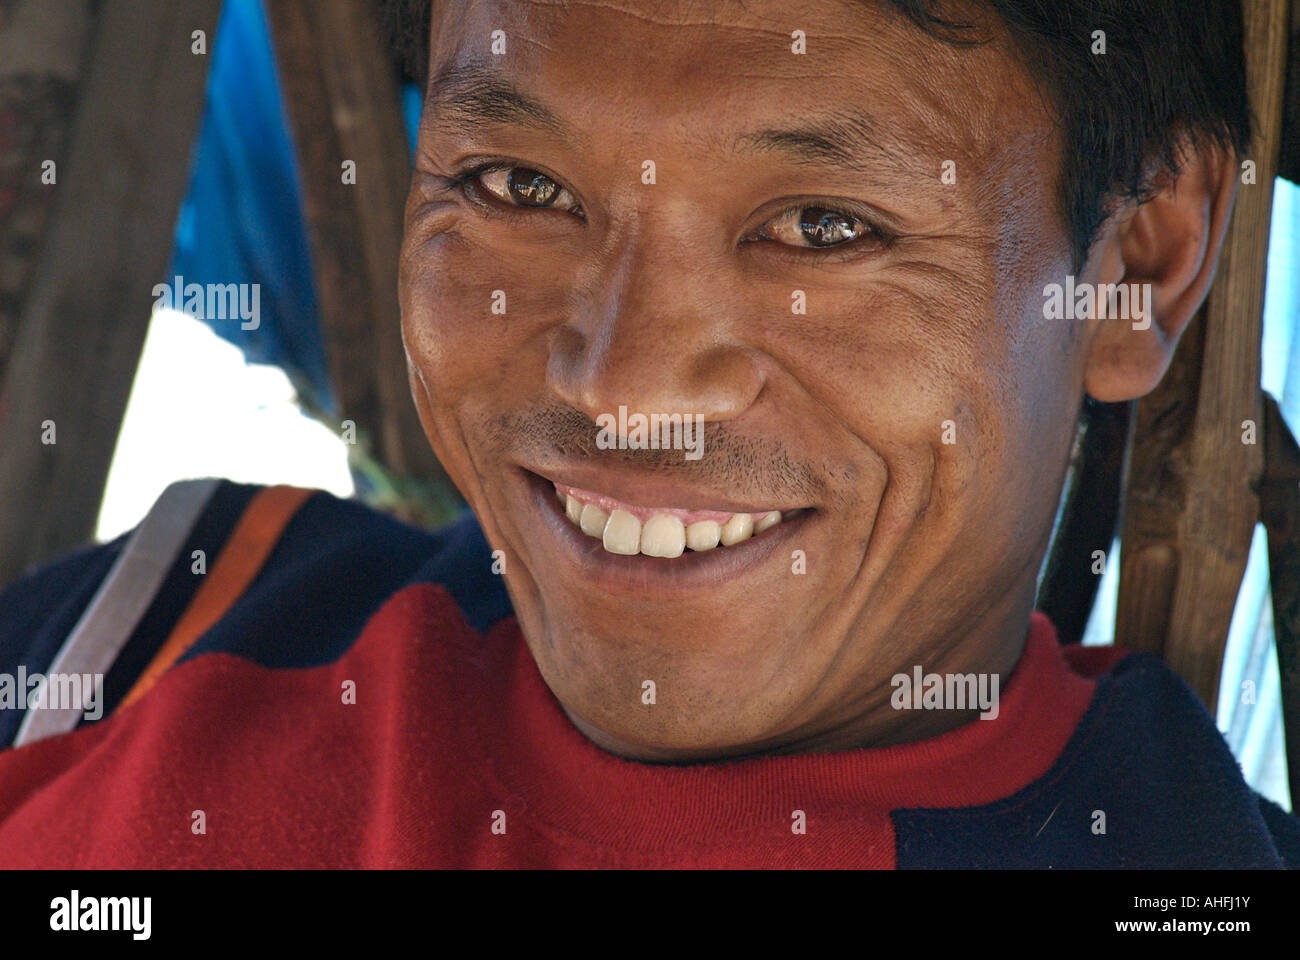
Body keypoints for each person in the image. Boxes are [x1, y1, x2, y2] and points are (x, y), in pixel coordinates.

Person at [0, 0, 1296, 868]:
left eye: (823, 228)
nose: (621, 387)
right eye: (521, 187)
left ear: (1139, 260)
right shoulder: (149, 634)